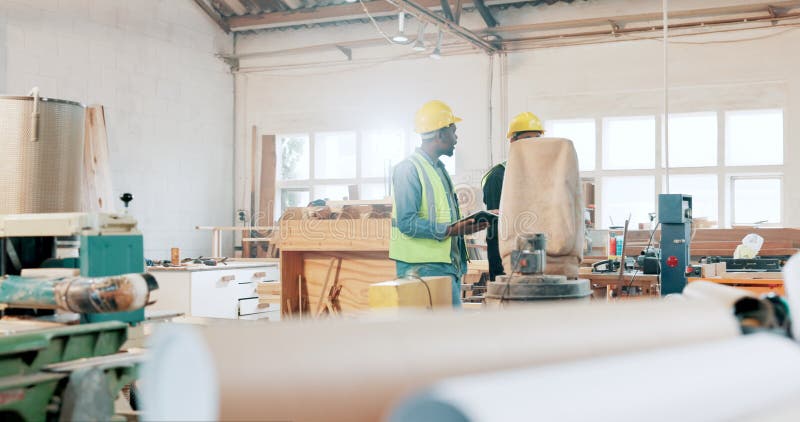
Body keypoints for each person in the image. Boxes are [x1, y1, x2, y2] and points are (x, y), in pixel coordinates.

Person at [390, 100, 489, 308]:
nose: (456, 137)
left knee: (447, 335)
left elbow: (443, 218)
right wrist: (452, 229)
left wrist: (468, 225)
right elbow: (407, 223)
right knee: (438, 336)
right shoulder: (408, 169)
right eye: (453, 131)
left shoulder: (439, 170)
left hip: (444, 266)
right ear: (440, 134)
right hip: (421, 268)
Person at [481, 111, 544, 281]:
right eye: (527, 138)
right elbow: (497, 226)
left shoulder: (537, 174)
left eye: (536, 139)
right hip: (505, 257)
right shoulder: (498, 176)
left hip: (533, 251)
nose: (533, 144)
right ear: (513, 141)